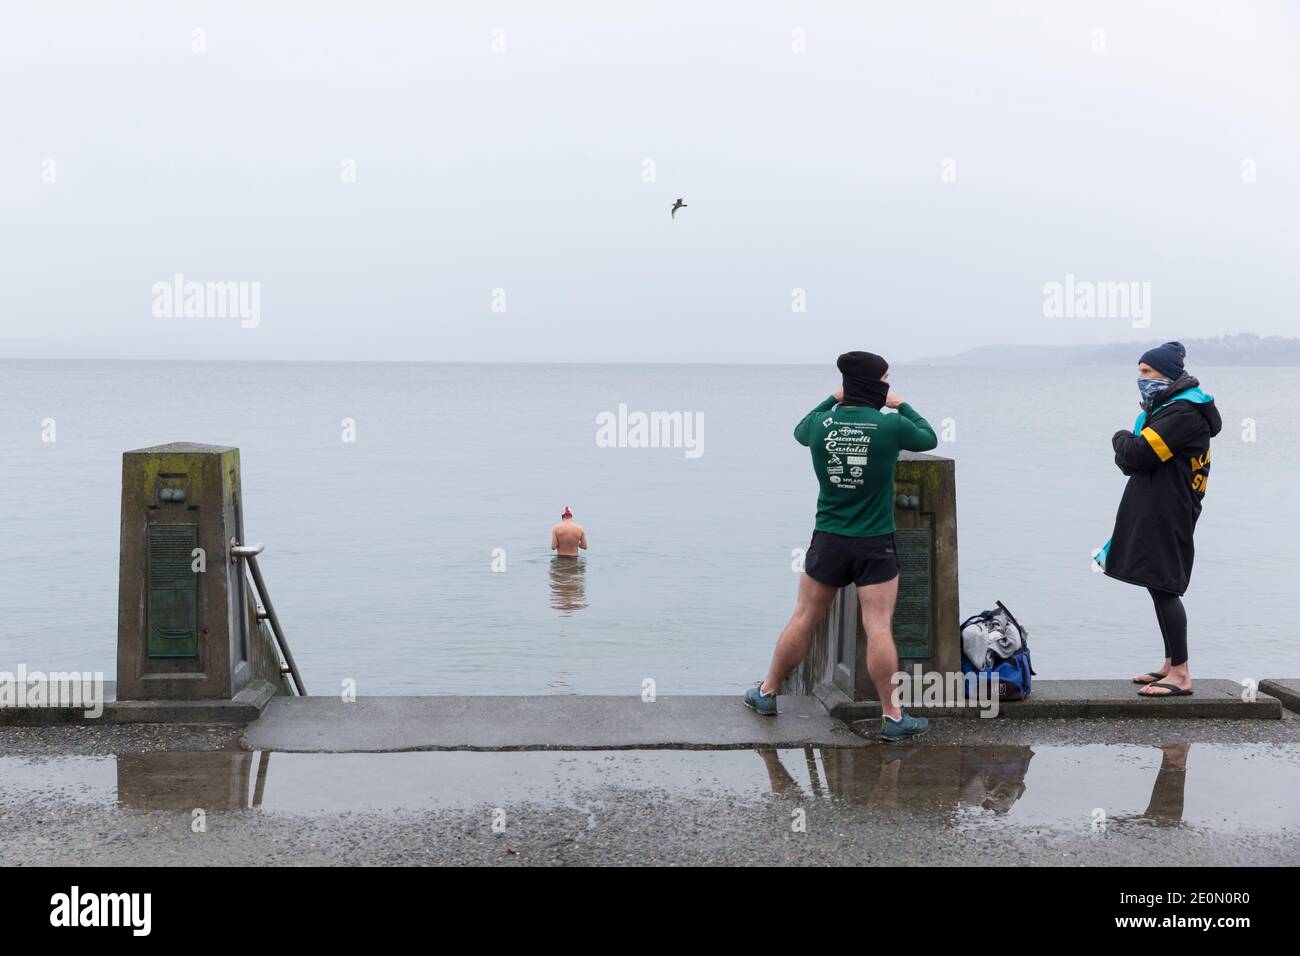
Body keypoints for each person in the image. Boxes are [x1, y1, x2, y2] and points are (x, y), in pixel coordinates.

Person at [744, 351, 938, 741]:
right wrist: (902, 404)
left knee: (803, 617)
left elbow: (800, 430)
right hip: (875, 543)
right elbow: (929, 437)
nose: (888, 385)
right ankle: (892, 716)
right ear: (876, 385)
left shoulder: (821, 423)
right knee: (879, 627)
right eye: (885, 379)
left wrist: (832, 399)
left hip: (828, 539)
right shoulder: (890, 425)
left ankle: (767, 692)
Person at [1102, 341, 1221, 698]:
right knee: (1156, 583)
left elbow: (1138, 453)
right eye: (1139, 371)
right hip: (1156, 504)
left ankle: (1182, 675)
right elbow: (1132, 463)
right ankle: (1170, 663)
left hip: (1170, 508)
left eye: (1146, 372)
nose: (1140, 379)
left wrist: (1119, 436)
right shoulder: (1165, 410)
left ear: (1166, 374)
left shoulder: (1184, 412)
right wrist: (1129, 448)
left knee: (1165, 584)